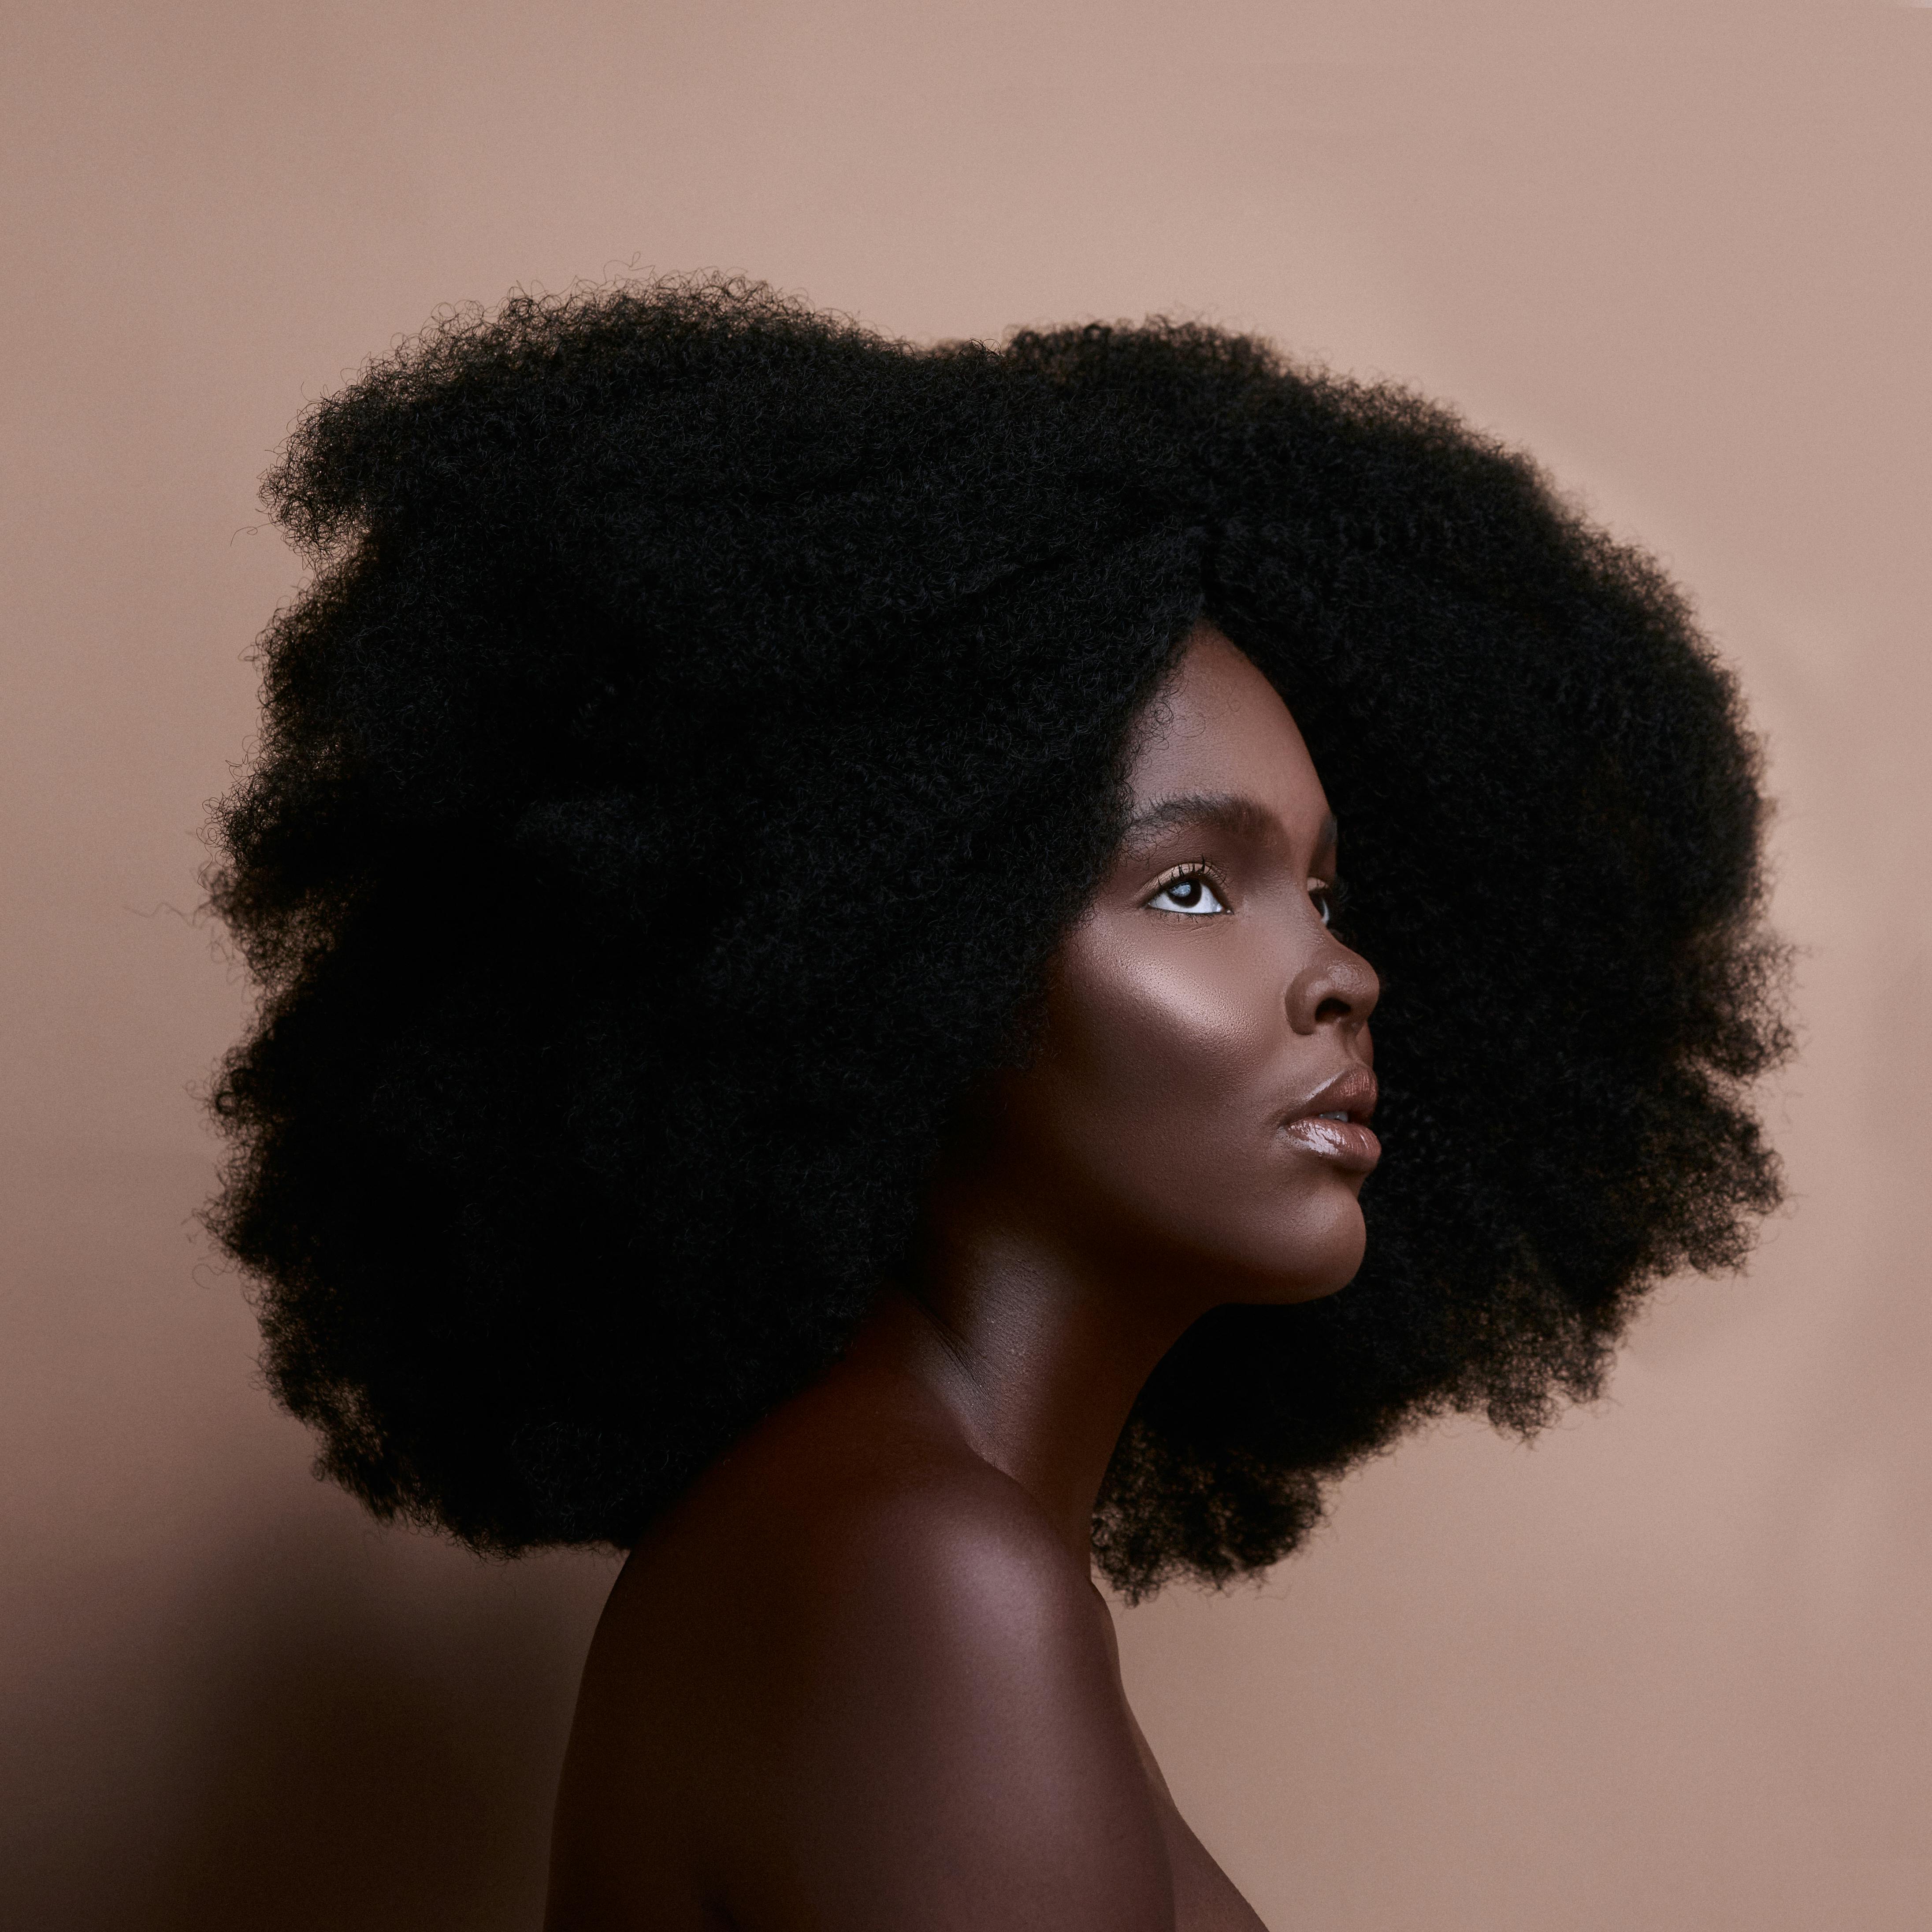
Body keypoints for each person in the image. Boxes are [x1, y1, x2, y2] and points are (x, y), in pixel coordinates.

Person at [204, 277, 1788, 1930]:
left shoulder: (875, 1537)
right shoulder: (927, 1585)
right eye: (1190, 889)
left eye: (1326, 890)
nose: (1339, 973)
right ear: (901, 949)